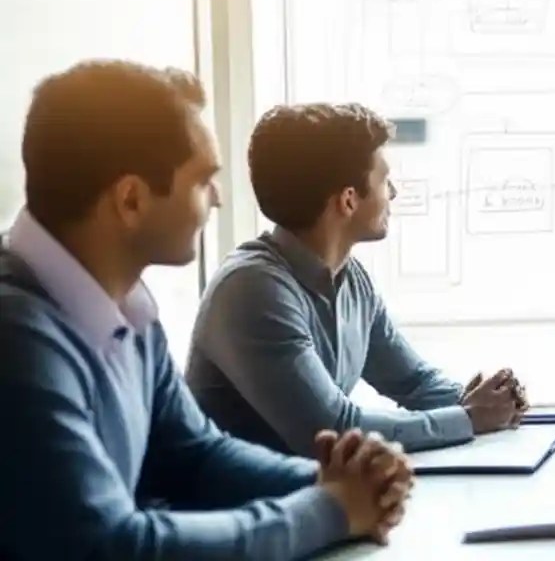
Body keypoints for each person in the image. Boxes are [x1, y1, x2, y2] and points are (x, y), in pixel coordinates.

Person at [0, 61, 411, 559]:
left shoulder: (126, 307)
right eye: (202, 181)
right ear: (131, 199)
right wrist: (333, 508)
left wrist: (336, 481)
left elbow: (192, 456)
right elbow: (112, 547)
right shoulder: (17, 338)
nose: (216, 199)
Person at [186, 102, 526, 457]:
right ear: (348, 200)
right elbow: (334, 428)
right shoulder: (253, 289)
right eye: (384, 181)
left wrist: (490, 401)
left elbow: (412, 380)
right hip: (241, 506)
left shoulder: (351, 279)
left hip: (302, 497)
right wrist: (469, 418)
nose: (392, 193)